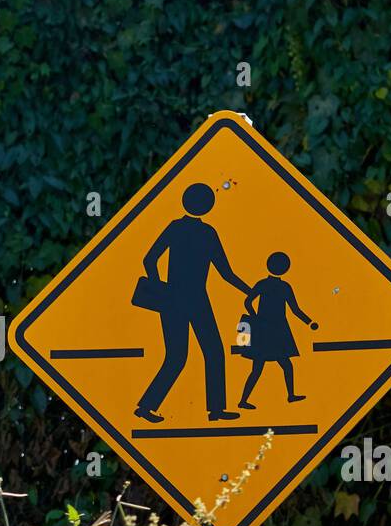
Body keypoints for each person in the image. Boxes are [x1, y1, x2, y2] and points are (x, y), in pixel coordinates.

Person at [134, 182, 250, 424]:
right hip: (195, 298)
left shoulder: (175, 228)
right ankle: (213, 410)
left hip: (175, 299)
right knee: (211, 353)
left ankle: (148, 408)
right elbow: (226, 273)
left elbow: (149, 259)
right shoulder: (208, 233)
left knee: (179, 356)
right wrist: (249, 291)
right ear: (209, 205)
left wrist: (160, 288)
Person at [236, 252, 318, 410]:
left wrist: (256, 317)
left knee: (266, 367)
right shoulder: (284, 287)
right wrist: (309, 322)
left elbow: (247, 302)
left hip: (267, 329)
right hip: (277, 329)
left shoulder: (263, 284)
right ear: (285, 268)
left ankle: (289, 396)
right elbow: (295, 310)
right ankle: (245, 400)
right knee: (278, 365)